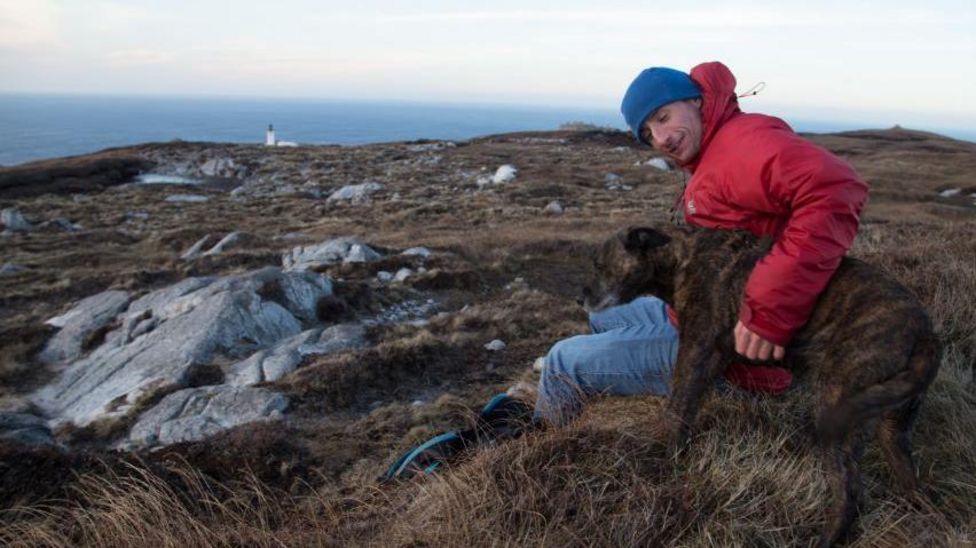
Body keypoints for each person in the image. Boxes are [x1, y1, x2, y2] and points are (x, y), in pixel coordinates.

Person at [534, 61, 869, 425]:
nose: (661, 139)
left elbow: (836, 189)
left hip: (737, 357)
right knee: (602, 313)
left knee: (562, 362)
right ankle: (603, 384)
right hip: (706, 315)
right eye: (648, 133)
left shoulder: (741, 146)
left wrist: (771, 311)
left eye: (663, 117)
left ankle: (544, 445)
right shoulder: (715, 149)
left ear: (694, 100)